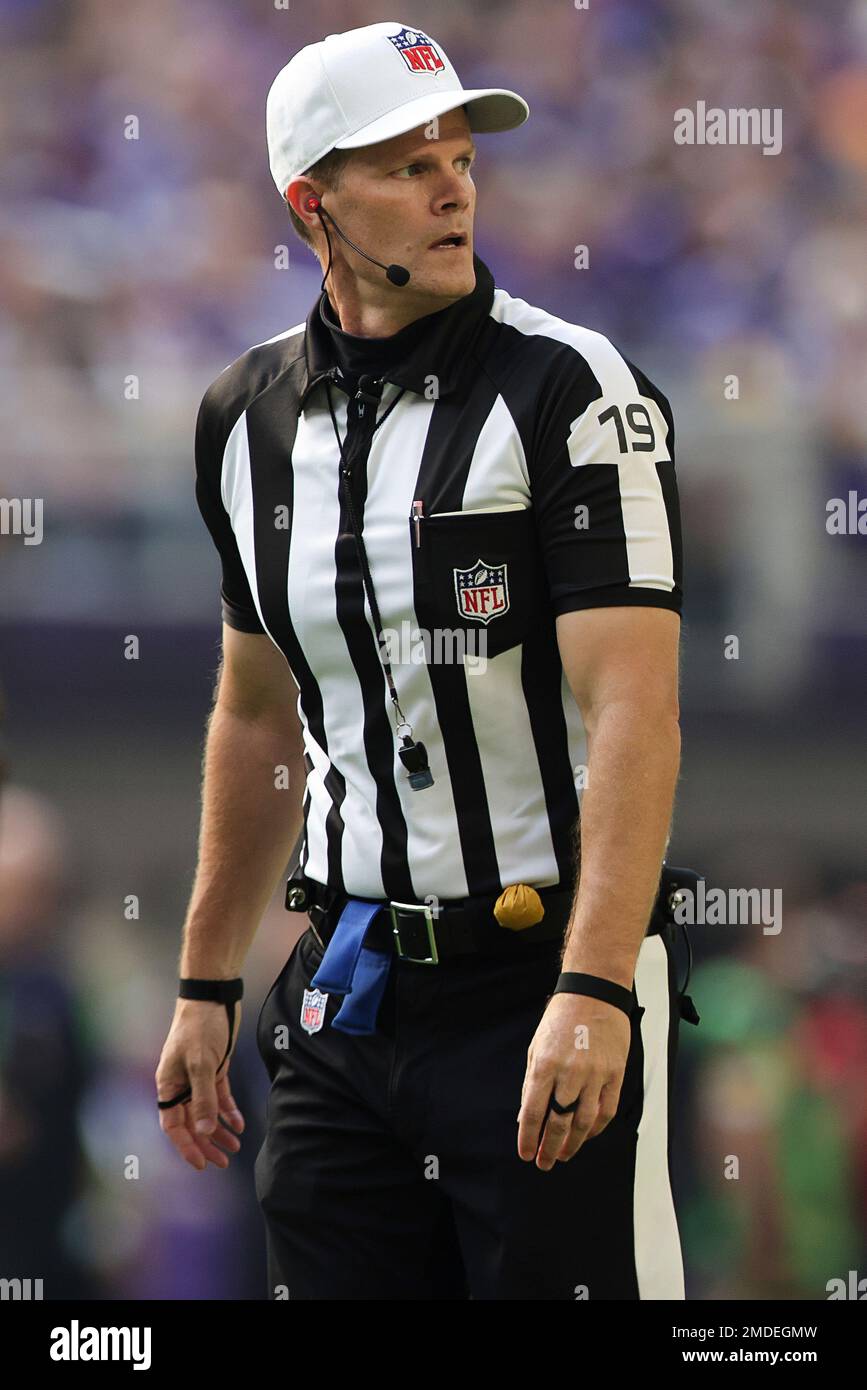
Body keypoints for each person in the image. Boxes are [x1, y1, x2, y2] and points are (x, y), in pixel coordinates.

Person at [157, 20, 694, 1300]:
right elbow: (256, 713)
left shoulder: (573, 387)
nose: (453, 184)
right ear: (312, 205)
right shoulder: (244, 417)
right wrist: (205, 977)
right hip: (348, 987)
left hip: (541, 970)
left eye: (459, 155)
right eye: (404, 165)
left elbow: (634, 705)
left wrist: (596, 983)